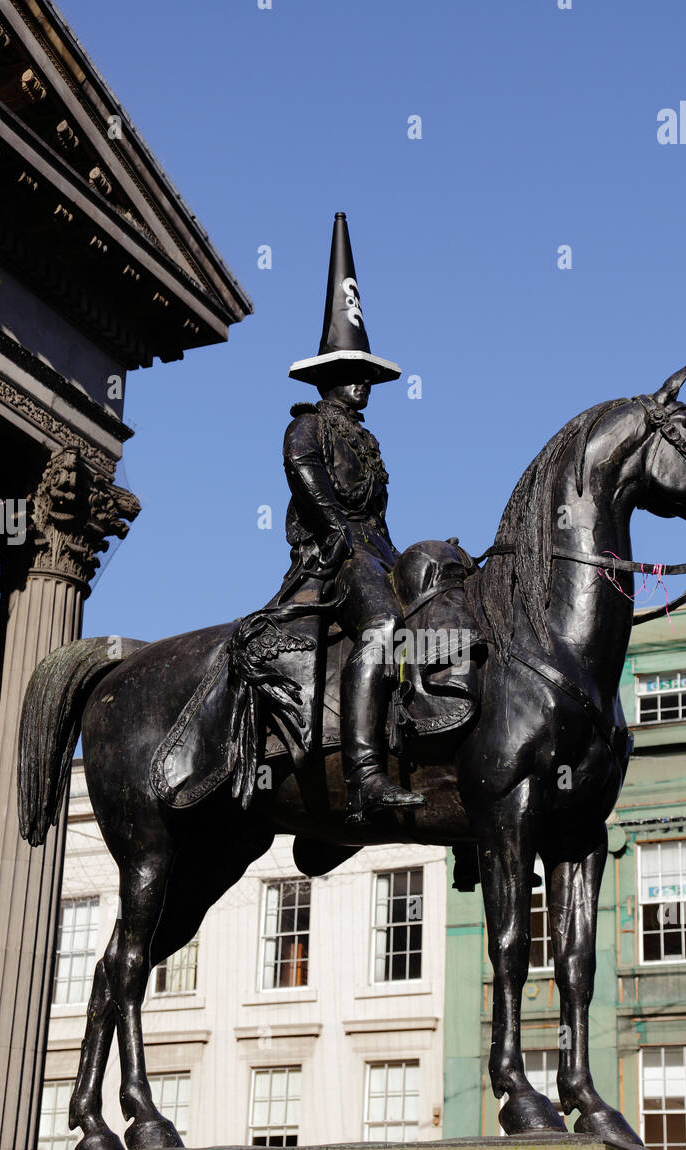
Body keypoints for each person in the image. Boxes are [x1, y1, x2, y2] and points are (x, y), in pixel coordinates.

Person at [280, 213, 425, 824]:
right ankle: (364, 775)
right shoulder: (305, 427)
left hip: (373, 550)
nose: (363, 385)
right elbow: (313, 491)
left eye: (367, 375)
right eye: (352, 373)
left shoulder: (369, 441)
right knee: (384, 624)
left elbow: (381, 517)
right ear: (328, 378)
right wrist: (348, 542)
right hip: (332, 558)